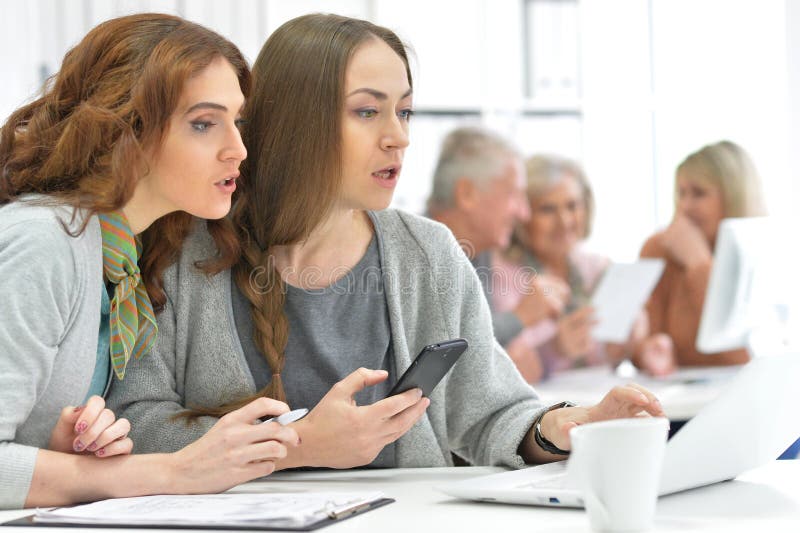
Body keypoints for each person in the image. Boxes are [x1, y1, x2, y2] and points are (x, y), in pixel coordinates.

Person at [108, 13, 664, 472]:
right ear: (296, 121)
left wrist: (563, 427)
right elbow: (138, 423)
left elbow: (495, 415)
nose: (398, 136)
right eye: (367, 111)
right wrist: (298, 443)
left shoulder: (429, 252)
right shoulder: (181, 249)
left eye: (404, 111)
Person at [0, 13, 297, 510]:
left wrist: (64, 444)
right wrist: (172, 471)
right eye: (204, 124)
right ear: (125, 131)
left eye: (236, 121)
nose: (238, 150)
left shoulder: (118, 255)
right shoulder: (44, 242)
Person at [492, 155, 646, 382]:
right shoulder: (499, 275)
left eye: (572, 206)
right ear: (523, 214)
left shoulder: (597, 268)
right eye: (547, 209)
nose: (564, 221)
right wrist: (554, 350)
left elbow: (610, 353)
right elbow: (500, 372)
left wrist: (637, 345)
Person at [427, 127, 569, 348]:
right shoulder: (414, 250)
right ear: (467, 194)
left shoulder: (478, 250)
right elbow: (443, 350)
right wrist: (520, 317)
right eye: (514, 194)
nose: (525, 213)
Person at [635, 140, 767, 374]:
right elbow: (642, 343)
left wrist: (699, 264)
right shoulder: (659, 249)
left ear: (733, 197)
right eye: (681, 193)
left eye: (699, 193)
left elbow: (745, 354)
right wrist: (647, 352)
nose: (684, 206)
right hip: (681, 400)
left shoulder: (759, 252)